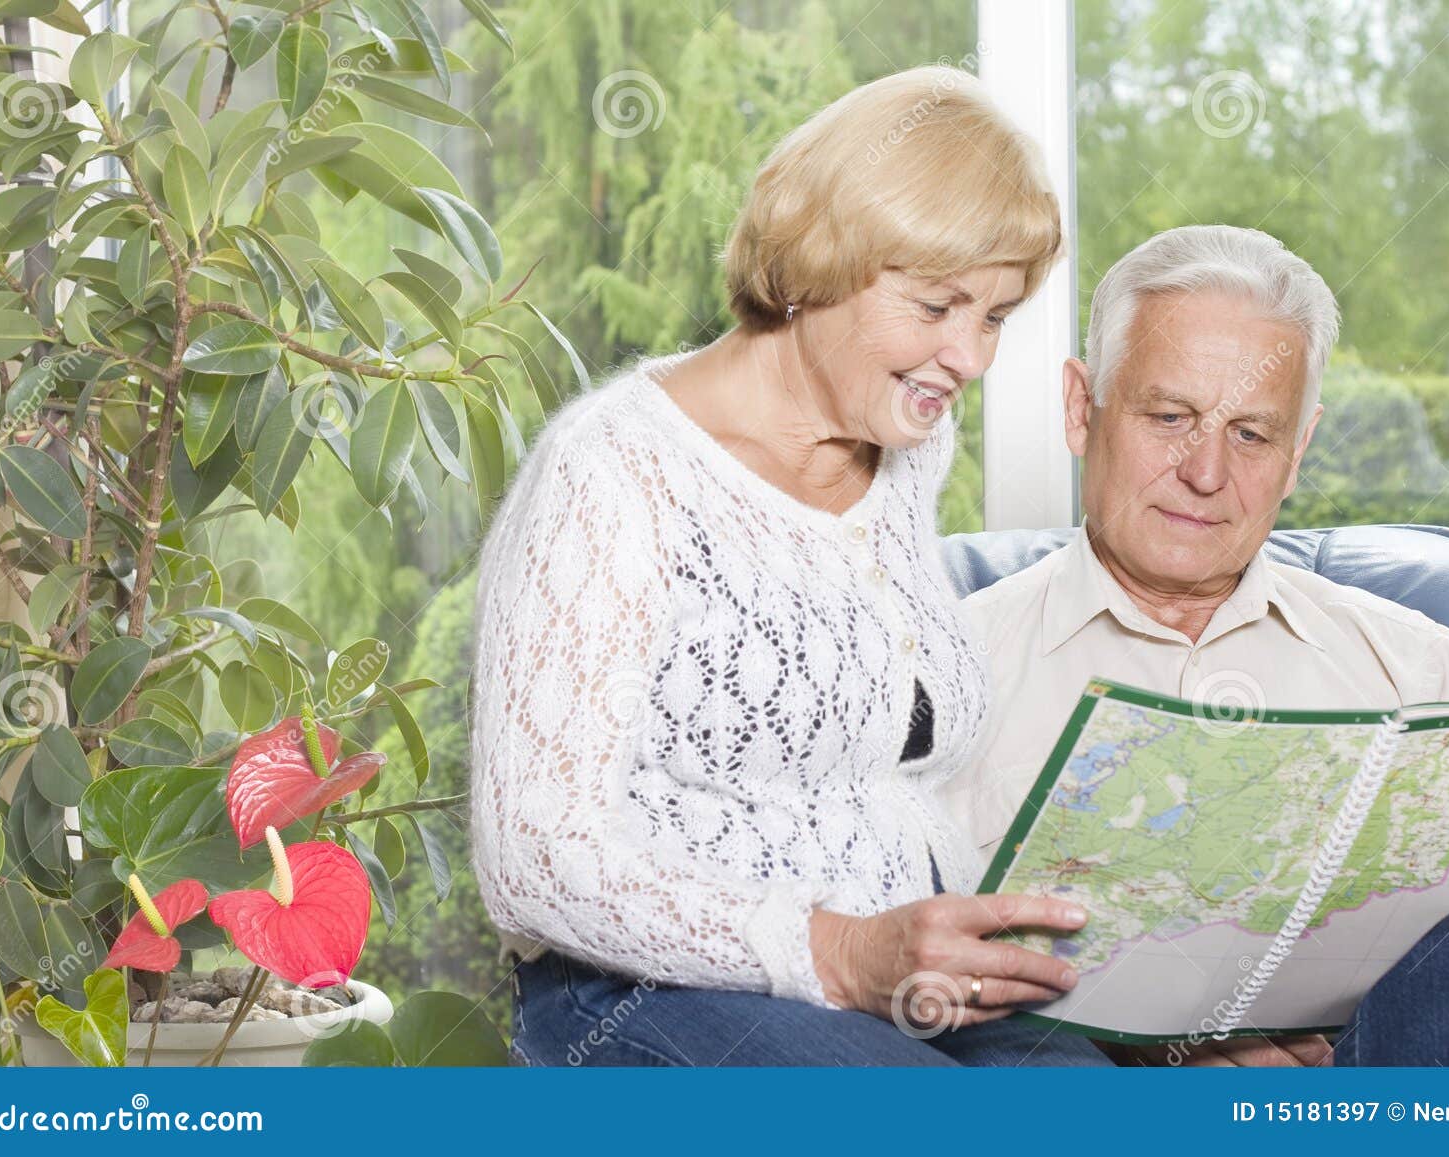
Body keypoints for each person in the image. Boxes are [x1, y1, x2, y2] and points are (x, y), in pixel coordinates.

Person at [469, 65, 1113, 1066]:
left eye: (993, 314)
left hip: (895, 975)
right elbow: (533, 859)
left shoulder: (902, 448)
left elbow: (865, 765)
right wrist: (837, 950)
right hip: (645, 990)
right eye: (937, 305)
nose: (972, 355)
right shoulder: (612, 475)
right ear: (819, 263)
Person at [939, 224, 1449, 1066]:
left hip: (1380, 1096)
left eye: (1251, 434)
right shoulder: (942, 673)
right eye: (1171, 416)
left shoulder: (1414, 661)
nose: (1206, 472)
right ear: (1079, 407)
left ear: (1298, 448)